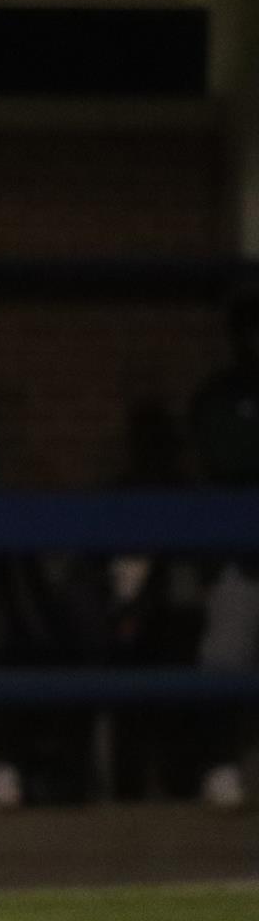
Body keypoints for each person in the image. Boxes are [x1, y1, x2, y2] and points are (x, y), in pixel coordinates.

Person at [189, 286, 259, 808]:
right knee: (222, 664)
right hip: (239, 558)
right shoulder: (216, 396)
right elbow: (221, 465)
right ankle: (220, 767)